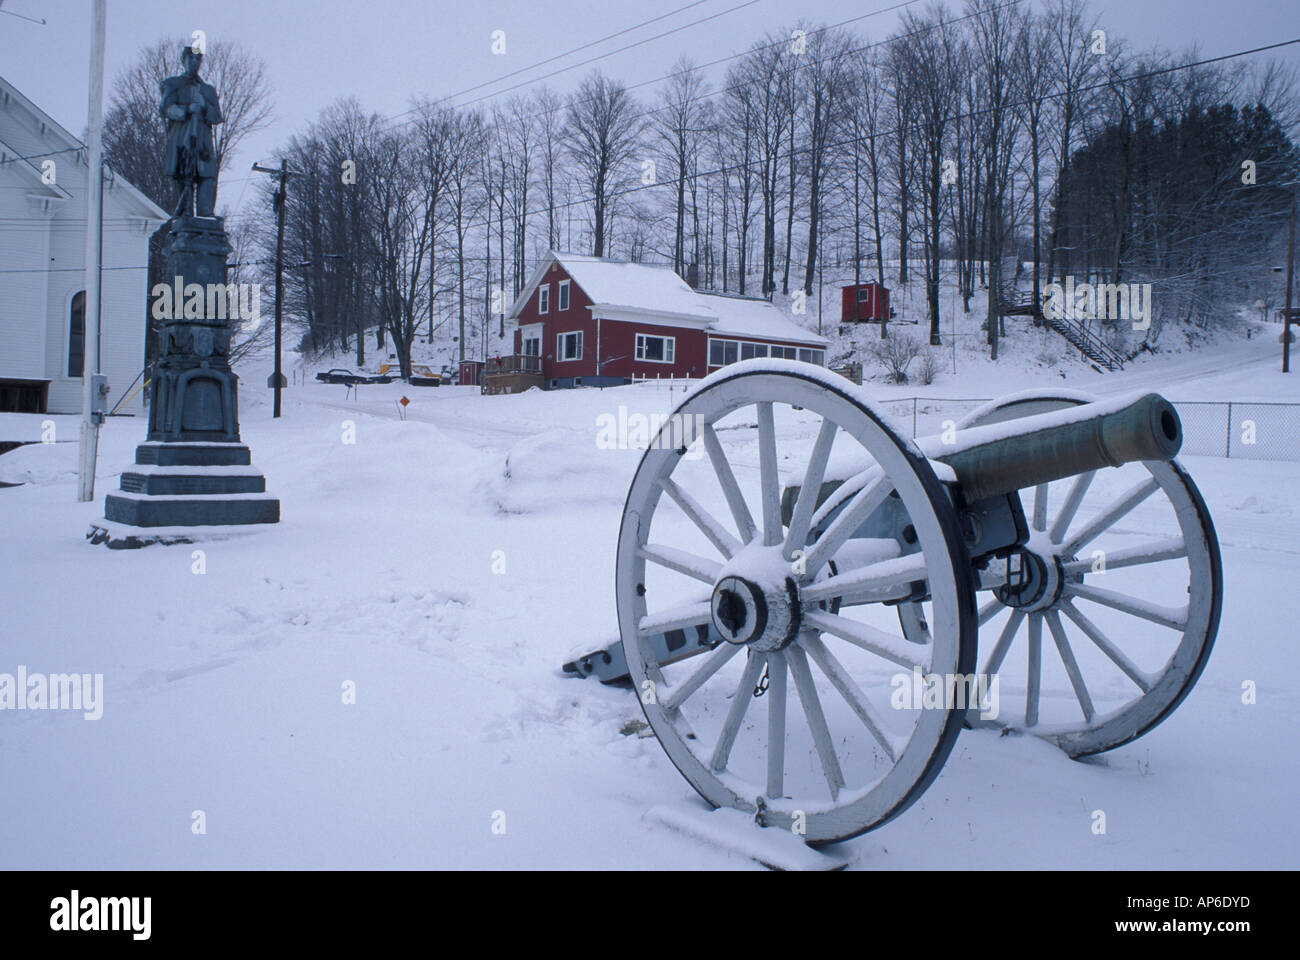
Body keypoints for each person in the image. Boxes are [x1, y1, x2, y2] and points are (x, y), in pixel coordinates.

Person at [159, 45, 223, 218]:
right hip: (182, 138)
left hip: (202, 140)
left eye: (198, 59)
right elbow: (166, 109)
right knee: (184, 174)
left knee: (207, 174)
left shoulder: (207, 90)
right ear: (183, 61)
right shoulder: (173, 84)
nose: (194, 62)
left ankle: (205, 213)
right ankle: (185, 214)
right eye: (191, 59)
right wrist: (187, 110)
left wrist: (203, 106)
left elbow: (217, 116)